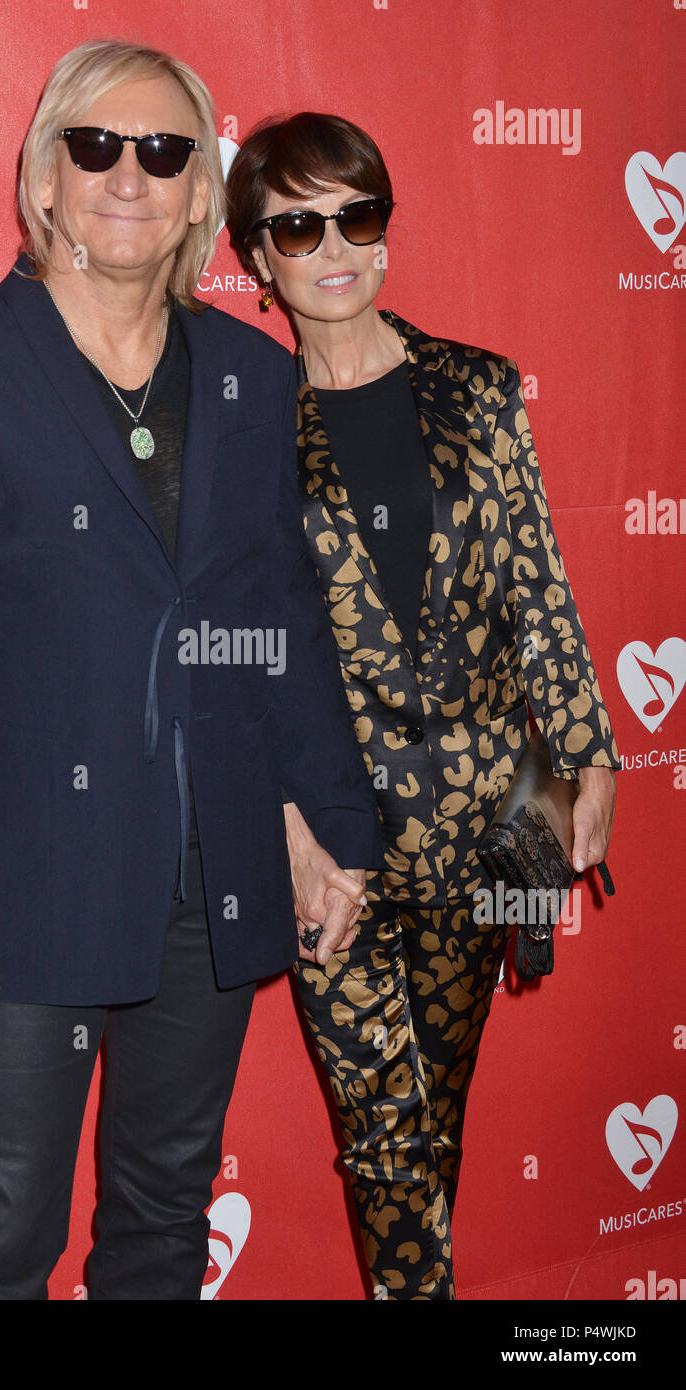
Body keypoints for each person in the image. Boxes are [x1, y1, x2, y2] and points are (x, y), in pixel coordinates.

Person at [0, 50, 381, 1301]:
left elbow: (278, 619)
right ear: (45, 177)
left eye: (165, 152)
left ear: (204, 191)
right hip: (26, 888)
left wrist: (319, 811)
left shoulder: (255, 378)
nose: (129, 176)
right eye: (96, 147)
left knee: (162, 1222)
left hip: (210, 878)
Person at [226, 112, 620, 1300]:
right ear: (256, 257)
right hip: (330, 840)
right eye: (299, 224)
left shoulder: (478, 389)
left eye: (358, 215)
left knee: (431, 1127)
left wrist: (589, 758)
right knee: (384, 1141)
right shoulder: (242, 428)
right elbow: (233, 656)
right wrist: (282, 827)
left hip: (487, 822)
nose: (333, 245)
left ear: (386, 232)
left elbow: (537, 590)